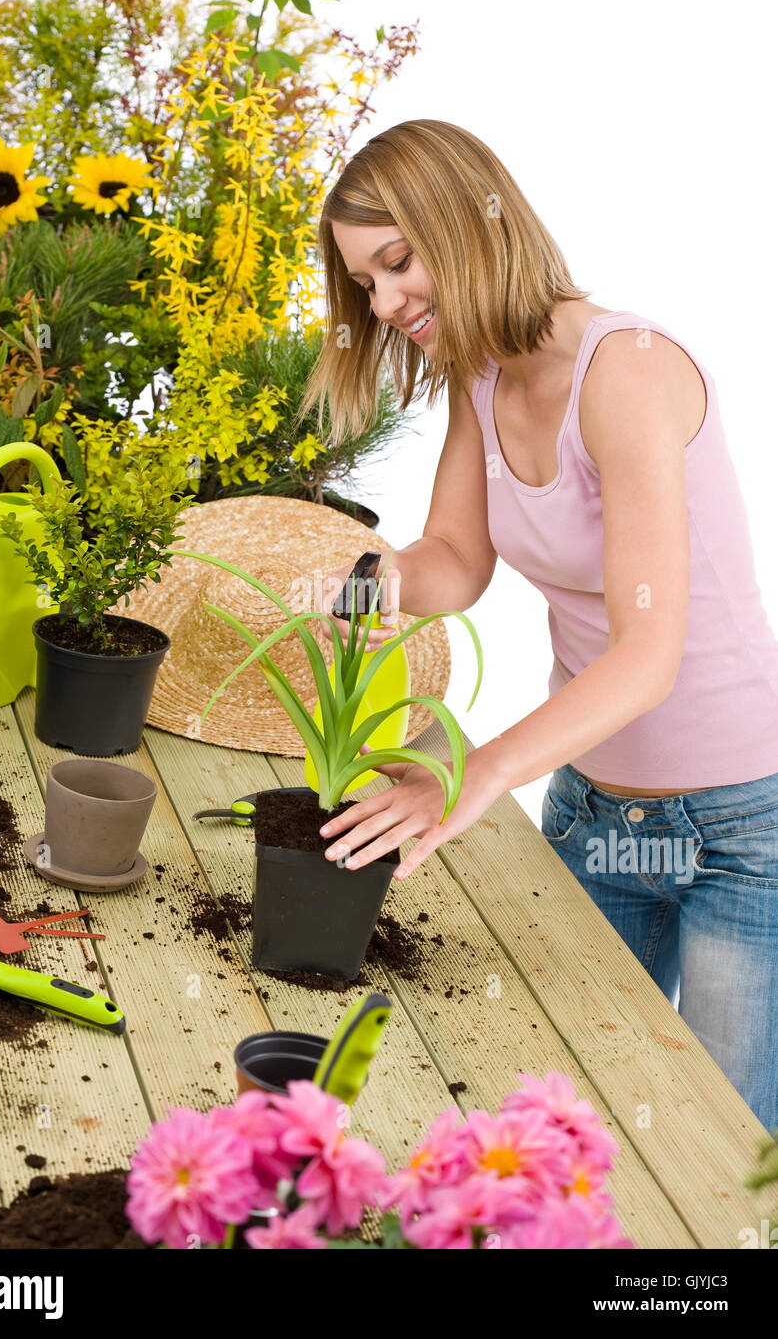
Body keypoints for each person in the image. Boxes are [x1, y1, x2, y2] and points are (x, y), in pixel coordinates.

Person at [298, 118, 778, 1129]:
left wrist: (473, 773)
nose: (384, 304)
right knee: (551, 1124)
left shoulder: (630, 368)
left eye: (395, 263)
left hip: (744, 832)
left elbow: (647, 656)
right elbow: (454, 561)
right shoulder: (482, 374)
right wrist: (355, 583)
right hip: (594, 812)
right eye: (365, 285)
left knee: (725, 1148)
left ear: (473, 223)